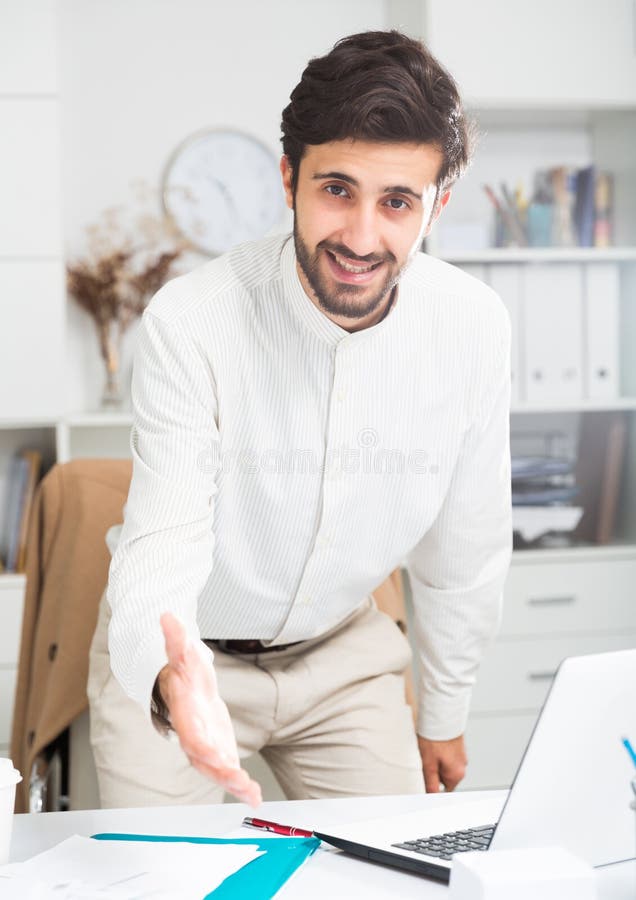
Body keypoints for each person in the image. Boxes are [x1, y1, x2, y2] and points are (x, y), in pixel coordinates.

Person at [88, 29, 512, 809]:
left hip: (344, 658)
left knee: (399, 873)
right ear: (289, 178)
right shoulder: (193, 320)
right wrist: (172, 679)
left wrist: (444, 712)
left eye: (396, 203)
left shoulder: (474, 327)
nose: (359, 237)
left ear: (436, 206)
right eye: (336, 189)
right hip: (187, 657)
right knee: (162, 881)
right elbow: (164, 539)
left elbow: (467, 545)